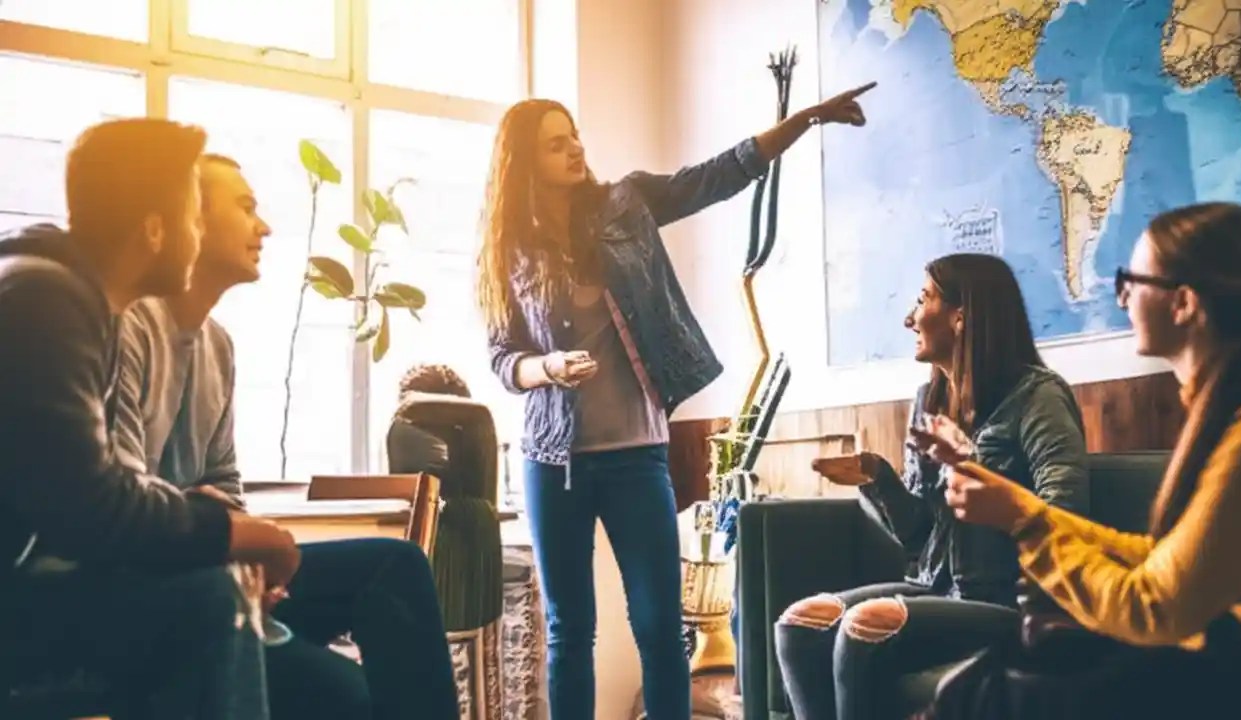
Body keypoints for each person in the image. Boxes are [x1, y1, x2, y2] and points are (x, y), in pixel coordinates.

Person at [478, 87, 877, 719]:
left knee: (661, 627)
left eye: (575, 134)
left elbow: (718, 176)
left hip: (637, 454)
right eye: (556, 144)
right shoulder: (510, 251)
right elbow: (504, 358)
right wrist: (548, 367)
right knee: (568, 631)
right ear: (525, 162)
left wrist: (803, 120)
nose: (575, 147)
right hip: (553, 461)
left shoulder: (625, 202)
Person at [111, 153, 460, 720]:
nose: (265, 226)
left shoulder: (217, 347)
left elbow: (223, 482)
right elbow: (117, 499)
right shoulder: (123, 329)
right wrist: (232, 537)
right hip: (150, 589)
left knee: (395, 567)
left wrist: (247, 551)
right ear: (189, 220)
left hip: (212, 568)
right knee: (350, 698)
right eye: (246, 207)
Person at [915, 203, 1241, 718]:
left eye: (1131, 280)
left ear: (1183, 303)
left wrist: (1023, 520)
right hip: (1228, 652)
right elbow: (1159, 555)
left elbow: (1156, 605)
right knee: (984, 680)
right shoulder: (1236, 403)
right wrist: (1019, 509)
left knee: (988, 693)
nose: (1122, 296)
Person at [0, 119, 299, 719]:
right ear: (156, 231)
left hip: (29, 587)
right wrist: (242, 533)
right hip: (19, 608)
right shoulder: (45, 300)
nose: (197, 233)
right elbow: (90, 505)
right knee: (206, 598)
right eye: (193, 218)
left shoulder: (70, 298)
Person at [773, 254, 1091, 719]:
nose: (909, 317)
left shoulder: (1038, 397)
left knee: (865, 624)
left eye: (923, 300)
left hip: (1007, 600)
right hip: (935, 587)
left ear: (961, 317)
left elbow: (1066, 517)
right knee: (800, 624)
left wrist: (973, 466)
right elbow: (921, 537)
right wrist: (877, 478)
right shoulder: (929, 401)